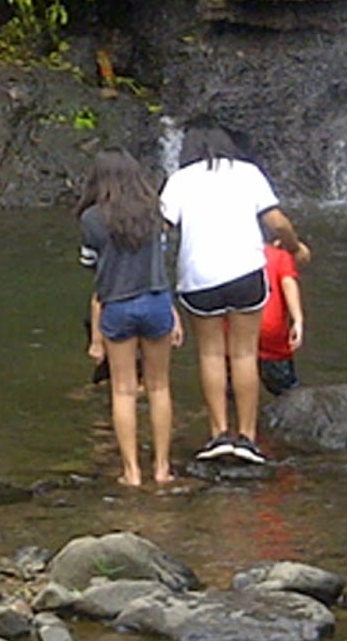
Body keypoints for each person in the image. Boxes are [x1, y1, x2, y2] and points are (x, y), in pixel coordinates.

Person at [160, 122, 309, 465]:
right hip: (245, 273)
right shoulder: (248, 173)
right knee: (243, 355)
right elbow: (278, 223)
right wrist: (295, 248)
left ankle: (218, 435)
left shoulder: (180, 180)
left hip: (198, 278)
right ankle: (247, 438)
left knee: (211, 355)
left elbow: (161, 228)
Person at [78, 150, 182, 486]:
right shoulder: (154, 212)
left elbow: (91, 266)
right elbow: (161, 265)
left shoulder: (92, 218)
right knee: (159, 387)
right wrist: (173, 312)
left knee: (123, 391)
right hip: (155, 300)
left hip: (117, 306)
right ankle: (163, 469)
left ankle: (131, 472)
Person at [258, 236, 304, 394]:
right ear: (278, 241)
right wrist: (297, 319)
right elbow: (288, 283)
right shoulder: (280, 256)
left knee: (234, 379)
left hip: (235, 328)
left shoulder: (237, 253)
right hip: (270, 330)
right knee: (285, 387)